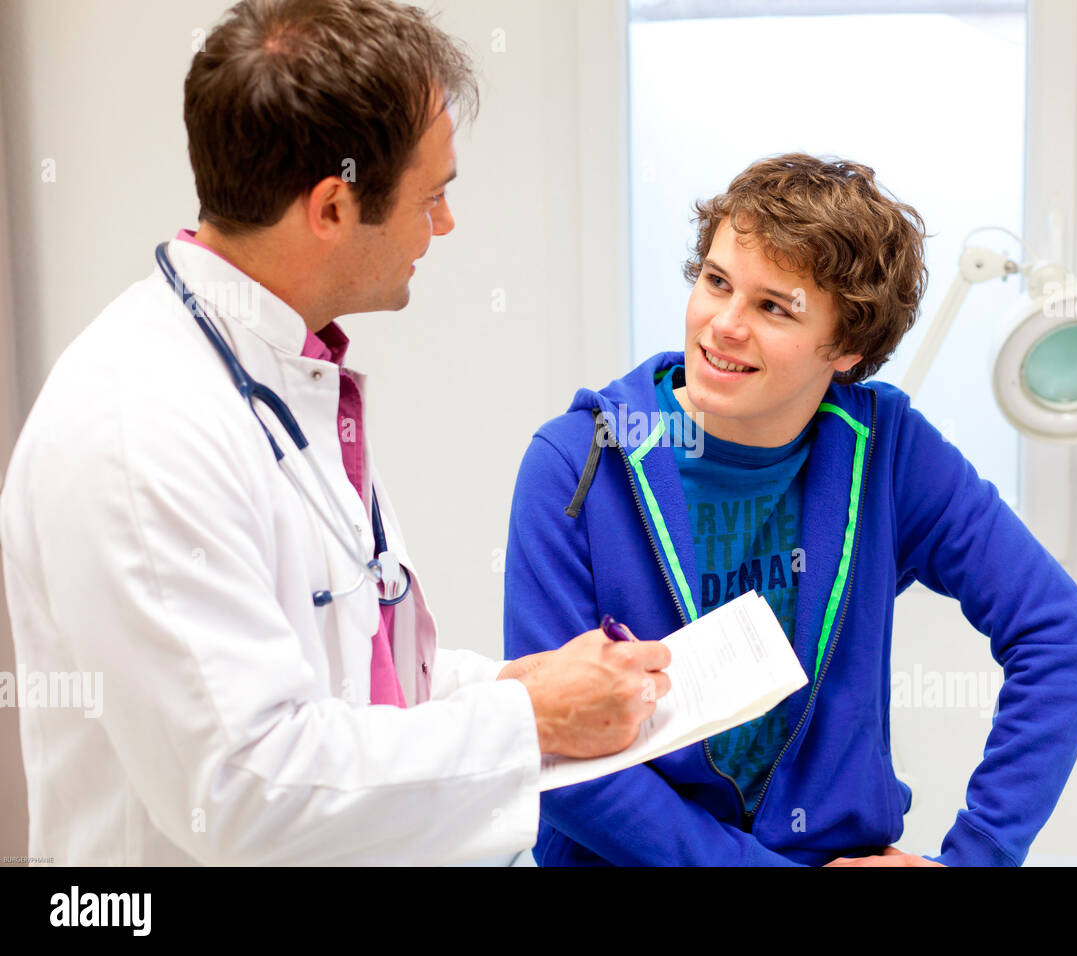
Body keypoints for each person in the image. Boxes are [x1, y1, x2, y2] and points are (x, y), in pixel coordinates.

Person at [0, 0, 669, 866]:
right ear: (331, 206)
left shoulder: (288, 374)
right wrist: (526, 722)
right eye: (433, 198)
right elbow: (245, 794)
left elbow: (354, 682)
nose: (445, 225)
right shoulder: (141, 429)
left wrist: (513, 686)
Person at [503, 153, 1077, 866]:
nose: (724, 325)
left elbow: (1064, 643)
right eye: (717, 281)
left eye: (773, 307)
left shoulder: (889, 451)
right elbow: (556, 752)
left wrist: (978, 855)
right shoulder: (576, 462)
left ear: (847, 346)